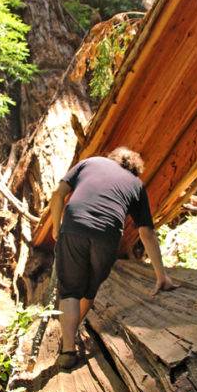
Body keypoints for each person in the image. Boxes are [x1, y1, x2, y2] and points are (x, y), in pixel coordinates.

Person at [47, 146, 178, 369]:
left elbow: (58, 194)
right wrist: (161, 275)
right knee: (89, 290)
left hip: (74, 226)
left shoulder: (90, 162)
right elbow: (146, 233)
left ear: (112, 158)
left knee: (70, 290)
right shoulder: (136, 184)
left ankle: (67, 349)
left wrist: (56, 227)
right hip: (107, 236)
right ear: (134, 170)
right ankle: (73, 331)